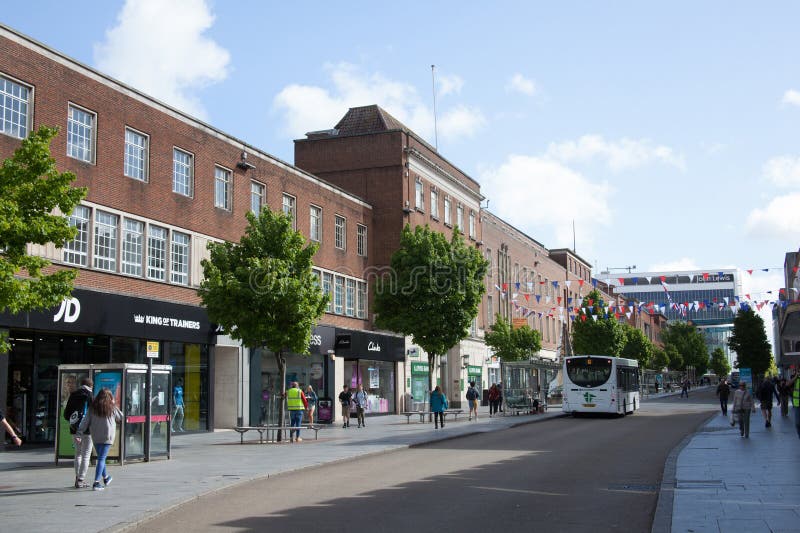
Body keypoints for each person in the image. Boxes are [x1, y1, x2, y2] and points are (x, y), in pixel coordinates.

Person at [77, 388, 122, 491]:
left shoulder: (92, 408)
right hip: (108, 436)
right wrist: (114, 403)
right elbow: (121, 417)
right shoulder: (112, 407)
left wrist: (79, 433)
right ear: (110, 397)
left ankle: (106, 478)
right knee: (101, 458)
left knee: (101, 457)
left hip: (96, 436)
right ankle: (96, 482)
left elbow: (85, 421)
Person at [64, 377, 93, 488]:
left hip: (74, 429)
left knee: (78, 454)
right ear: (91, 386)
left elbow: (66, 415)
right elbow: (94, 414)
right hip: (87, 430)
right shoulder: (90, 396)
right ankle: (81, 480)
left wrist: (73, 421)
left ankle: (77, 478)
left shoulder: (73, 395)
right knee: (86, 455)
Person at [787, 370, 800, 439]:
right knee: (797, 423)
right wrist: (796, 377)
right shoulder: (795, 378)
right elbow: (787, 384)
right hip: (797, 404)